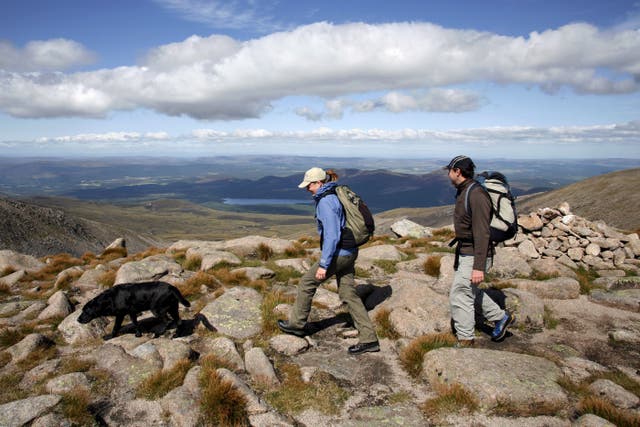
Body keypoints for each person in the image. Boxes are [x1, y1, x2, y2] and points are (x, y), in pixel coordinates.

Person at [277, 167, 380, 355]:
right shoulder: (334, 194)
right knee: (348, 293)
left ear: (319, 183)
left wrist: (324, 265)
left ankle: (296, 324)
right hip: (349, 251)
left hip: (339, 253)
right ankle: (369, 339)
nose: (307, 189)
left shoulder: (326, 201)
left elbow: (332, 235)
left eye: (309, 185)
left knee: (307, 283)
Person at [444, 155, 514, 346]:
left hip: (474, 254)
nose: (448, 174)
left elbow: (482, 233)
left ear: (457, 171)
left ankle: (465, 339)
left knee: (459, 294)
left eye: (449, 171)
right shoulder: (465, 190)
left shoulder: (476, 195)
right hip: (467, 251)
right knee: (469, 291)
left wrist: (478, 267)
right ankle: (500, 318)